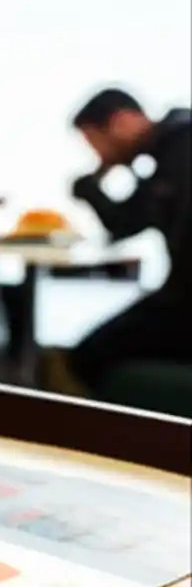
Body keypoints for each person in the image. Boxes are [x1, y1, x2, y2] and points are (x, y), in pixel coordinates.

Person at [63, 89, 191, 392]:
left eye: (95, 142)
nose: (99, 155)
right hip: (180, 299)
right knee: (90, 352)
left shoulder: (183, 148)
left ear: (121, 122)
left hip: (185, 303)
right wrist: (89, 187)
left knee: (90, 355)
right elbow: (125, 224)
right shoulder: (164, 156)